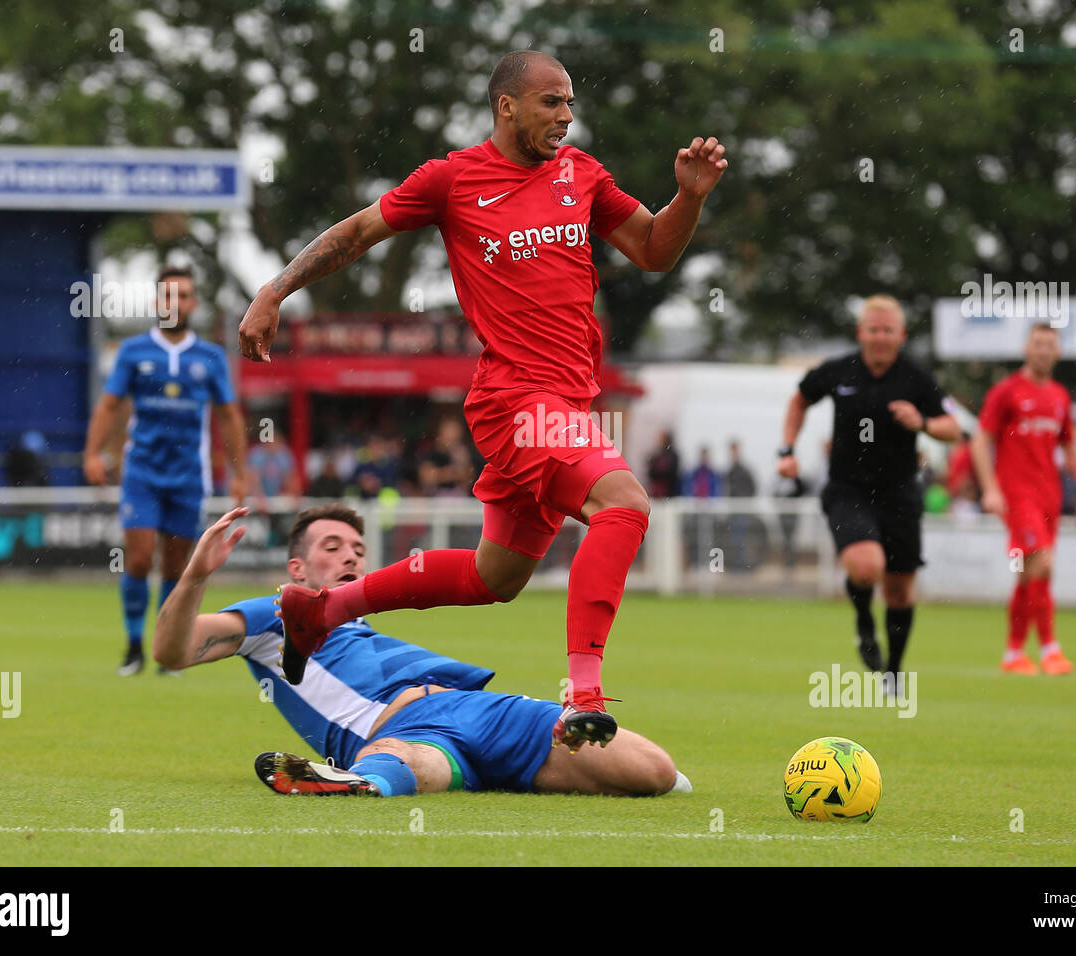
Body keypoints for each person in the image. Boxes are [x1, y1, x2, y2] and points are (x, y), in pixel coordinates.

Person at [238, 50, 728, 751]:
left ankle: (323, 609)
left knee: (491, 577)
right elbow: (357, 232)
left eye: (568, 103)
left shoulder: (581, 174)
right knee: (623, 504)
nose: (565, 116)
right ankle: (583, 691)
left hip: (565, 404)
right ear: (507, 106)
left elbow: (652, 250)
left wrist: (691, 197)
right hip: (516, 402)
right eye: (550, 102)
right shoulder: (452, 179)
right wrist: (273, 290)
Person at [151, 504, 688, 798]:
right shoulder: (273, 615)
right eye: (332, 547)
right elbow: (172, 652)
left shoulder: (361, 615)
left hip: (477, 708)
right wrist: (195, 575)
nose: (351, 557)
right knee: (408, 761)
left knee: (655, 773)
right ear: (296, 569)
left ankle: (374, 779)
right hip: (398, 731)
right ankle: (359, 783)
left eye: (358, 550)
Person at [778, 296, 960, 686]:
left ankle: (893, 673)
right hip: (848, 490)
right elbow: (799, 399)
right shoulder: (840, 371)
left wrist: (922, 422)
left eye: (888, 330)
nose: (880, 337)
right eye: (873, 329)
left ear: (901, 335)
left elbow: (953, 427)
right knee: (866, 566)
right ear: (861, 333)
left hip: (900, 494)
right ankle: (863, 621)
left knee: (899, 590)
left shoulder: (916, 378)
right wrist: (788, 450)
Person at [84, 265, 249, 677]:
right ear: (158, 302)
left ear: (194, 303)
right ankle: (134, 645)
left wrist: (240, 473)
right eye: (168, 296)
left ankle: (166, 650)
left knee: (175, 569)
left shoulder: (210, 356)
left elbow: (229, 416)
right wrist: (92, 453)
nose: (176, 303)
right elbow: (107, 405)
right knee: (138, 560)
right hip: (142, 474)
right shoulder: (134, 351)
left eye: (184, 296)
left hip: (189, 479)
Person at [971, 323, 1076, 676]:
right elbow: (981, 440)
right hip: (1017, 495)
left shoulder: (1059, 396)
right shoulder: (1007, 391)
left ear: (1058, 352)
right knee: (1042, 564)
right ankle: (1050, 649)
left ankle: (1014, 653)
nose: (1043, 350)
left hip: (1049, 497)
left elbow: (1071, 445)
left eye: (1049, 345)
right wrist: (991, 488)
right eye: (1037, 344)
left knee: (1030, 574)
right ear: (1026, 349)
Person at [646, 430, 682, 499]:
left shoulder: (673, 455)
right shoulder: (656, 455)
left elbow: (674, 472)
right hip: (657, 490)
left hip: (670, 491)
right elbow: (651, 472)